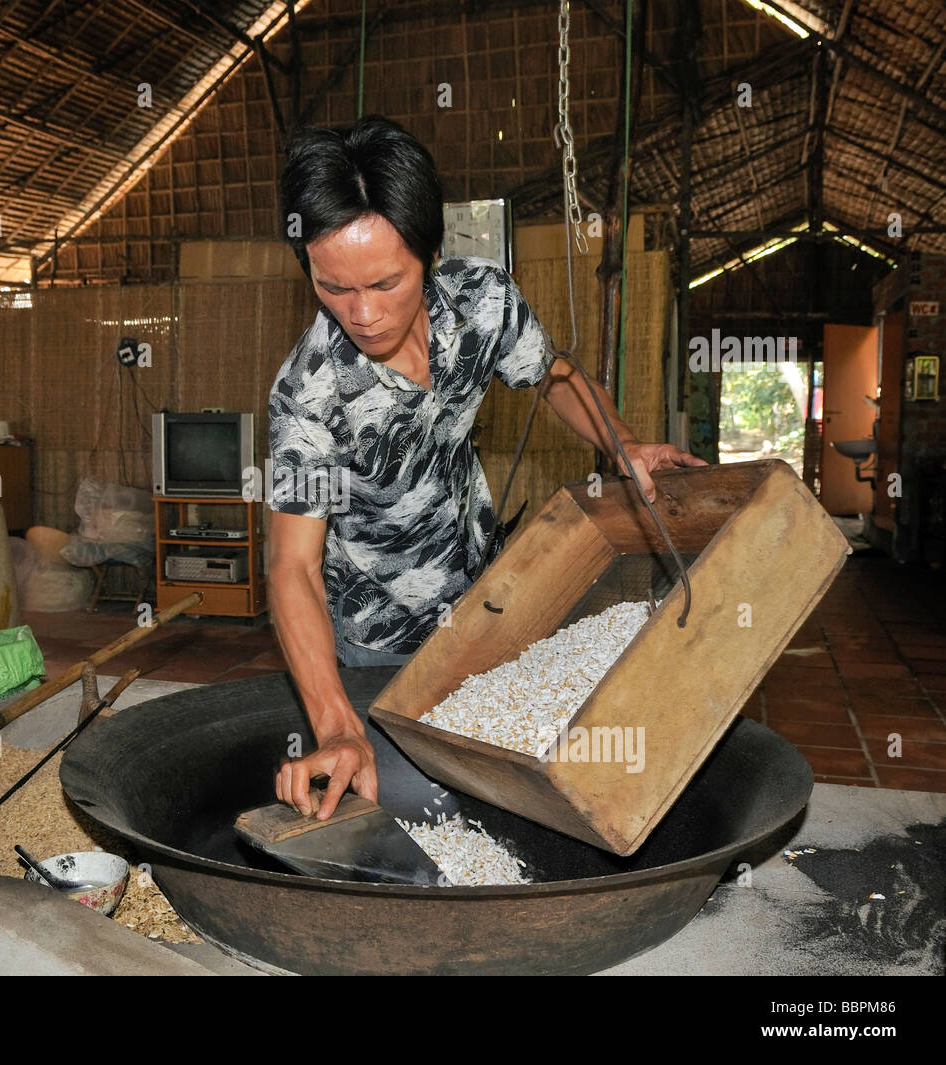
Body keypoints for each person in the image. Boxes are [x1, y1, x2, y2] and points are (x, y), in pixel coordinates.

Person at [266, 115, 704, 821]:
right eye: (334, 288)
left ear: (431, 253)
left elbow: (556, 377)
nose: (365, 312)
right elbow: (293, 566)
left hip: (482, 599)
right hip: (375, 633)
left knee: (519, 779)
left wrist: (622, 443)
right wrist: (338, 724)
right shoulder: (309, 395)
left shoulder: (482, 305)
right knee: (421, 808)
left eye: (385, 281)